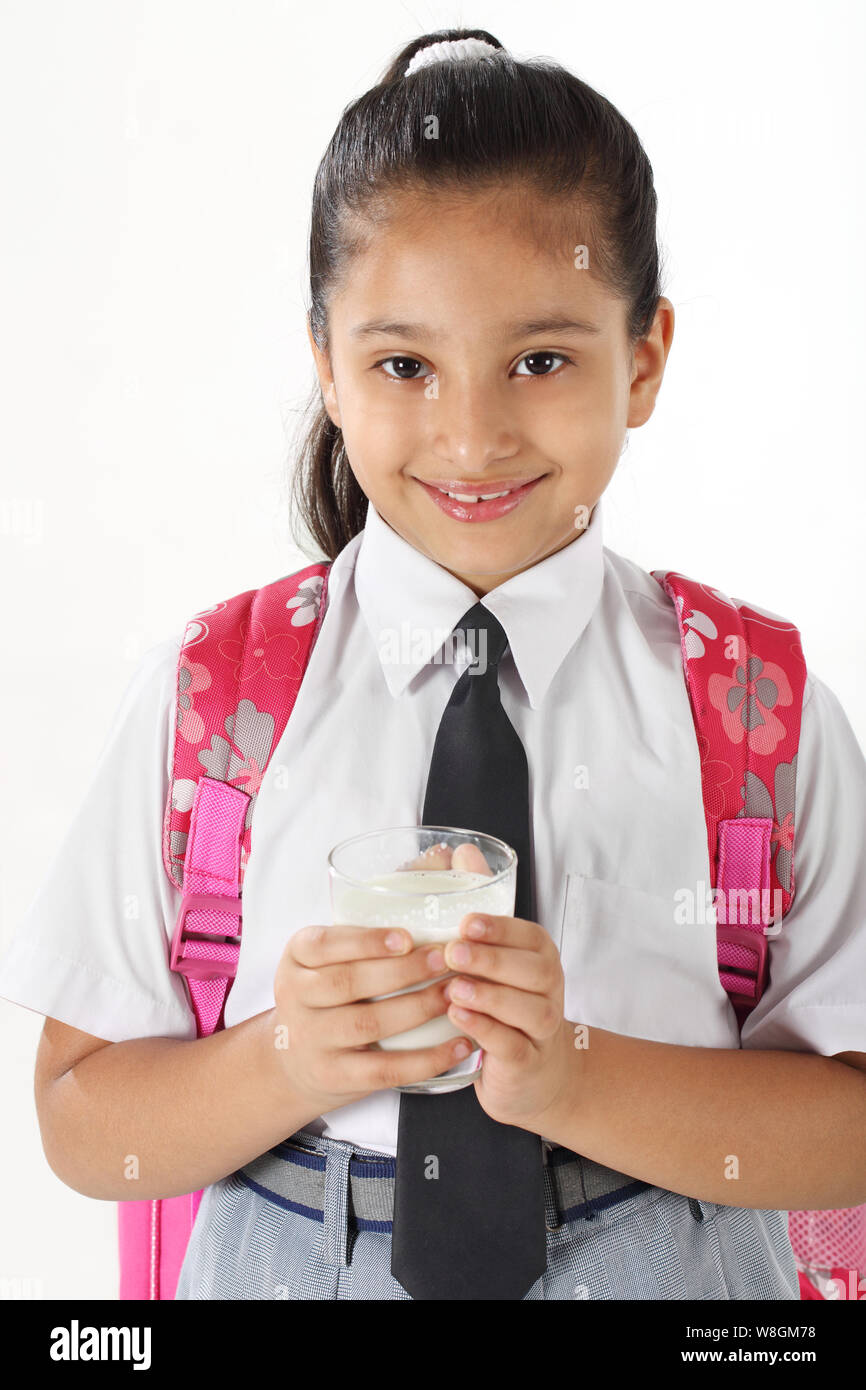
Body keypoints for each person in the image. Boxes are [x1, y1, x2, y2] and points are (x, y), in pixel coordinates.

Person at [2, 27, 866, 1301]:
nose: (471, 434)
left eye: (539, 359)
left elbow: (845, 1123)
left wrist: (575, 1074)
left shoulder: (752, 704)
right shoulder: (214, 699)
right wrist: (286, 1055)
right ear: (327, 370)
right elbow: (82, 1122)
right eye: (404, 365)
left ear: (642, 361)